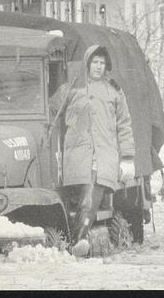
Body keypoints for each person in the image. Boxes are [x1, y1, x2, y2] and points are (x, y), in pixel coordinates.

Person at [50, 44, 135, 258]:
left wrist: (127, 158)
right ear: (87, 63)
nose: (98, 67)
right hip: (76, 156)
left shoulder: (114, 91)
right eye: (94, 62)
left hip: (104, 155)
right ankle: (66, 243)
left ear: (106, 65)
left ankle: (76, 242)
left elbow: (124, 124)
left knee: (90, 195)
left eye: (102, 63)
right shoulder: (72, 89)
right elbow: (50, 112)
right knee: (73, 201)